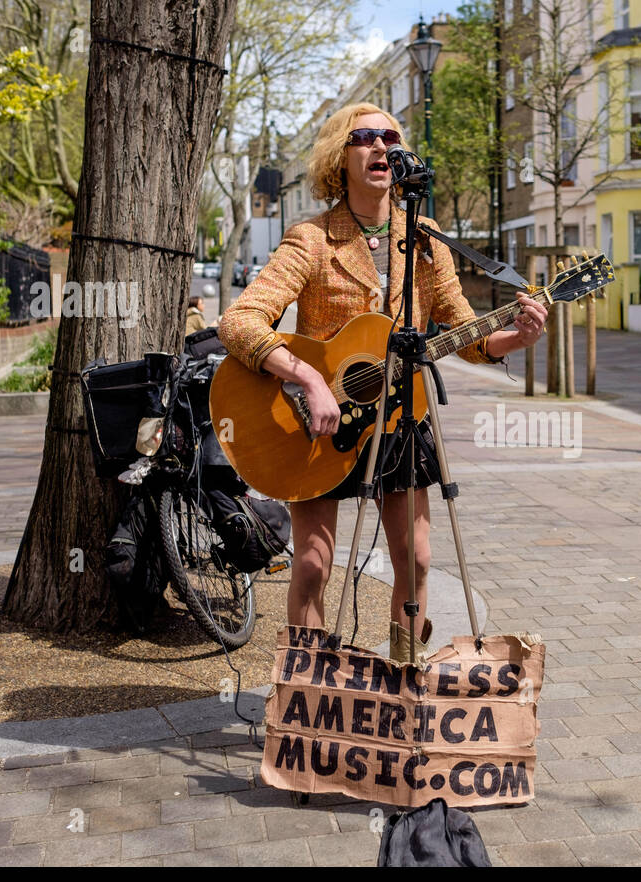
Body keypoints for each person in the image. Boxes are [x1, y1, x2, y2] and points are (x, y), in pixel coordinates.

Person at [217, 102, 547, 660]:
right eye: (363, 136)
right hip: (318, 422)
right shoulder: (312, 239)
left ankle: (401, 682)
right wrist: (307, 378)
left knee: (416, 560)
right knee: (315, 563)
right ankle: (308, 686)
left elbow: (463, 328)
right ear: (338, 158)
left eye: (389, 136)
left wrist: (514, 338)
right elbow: (239, 322)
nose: (379, 145)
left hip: (400, 416)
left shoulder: (424, 236)